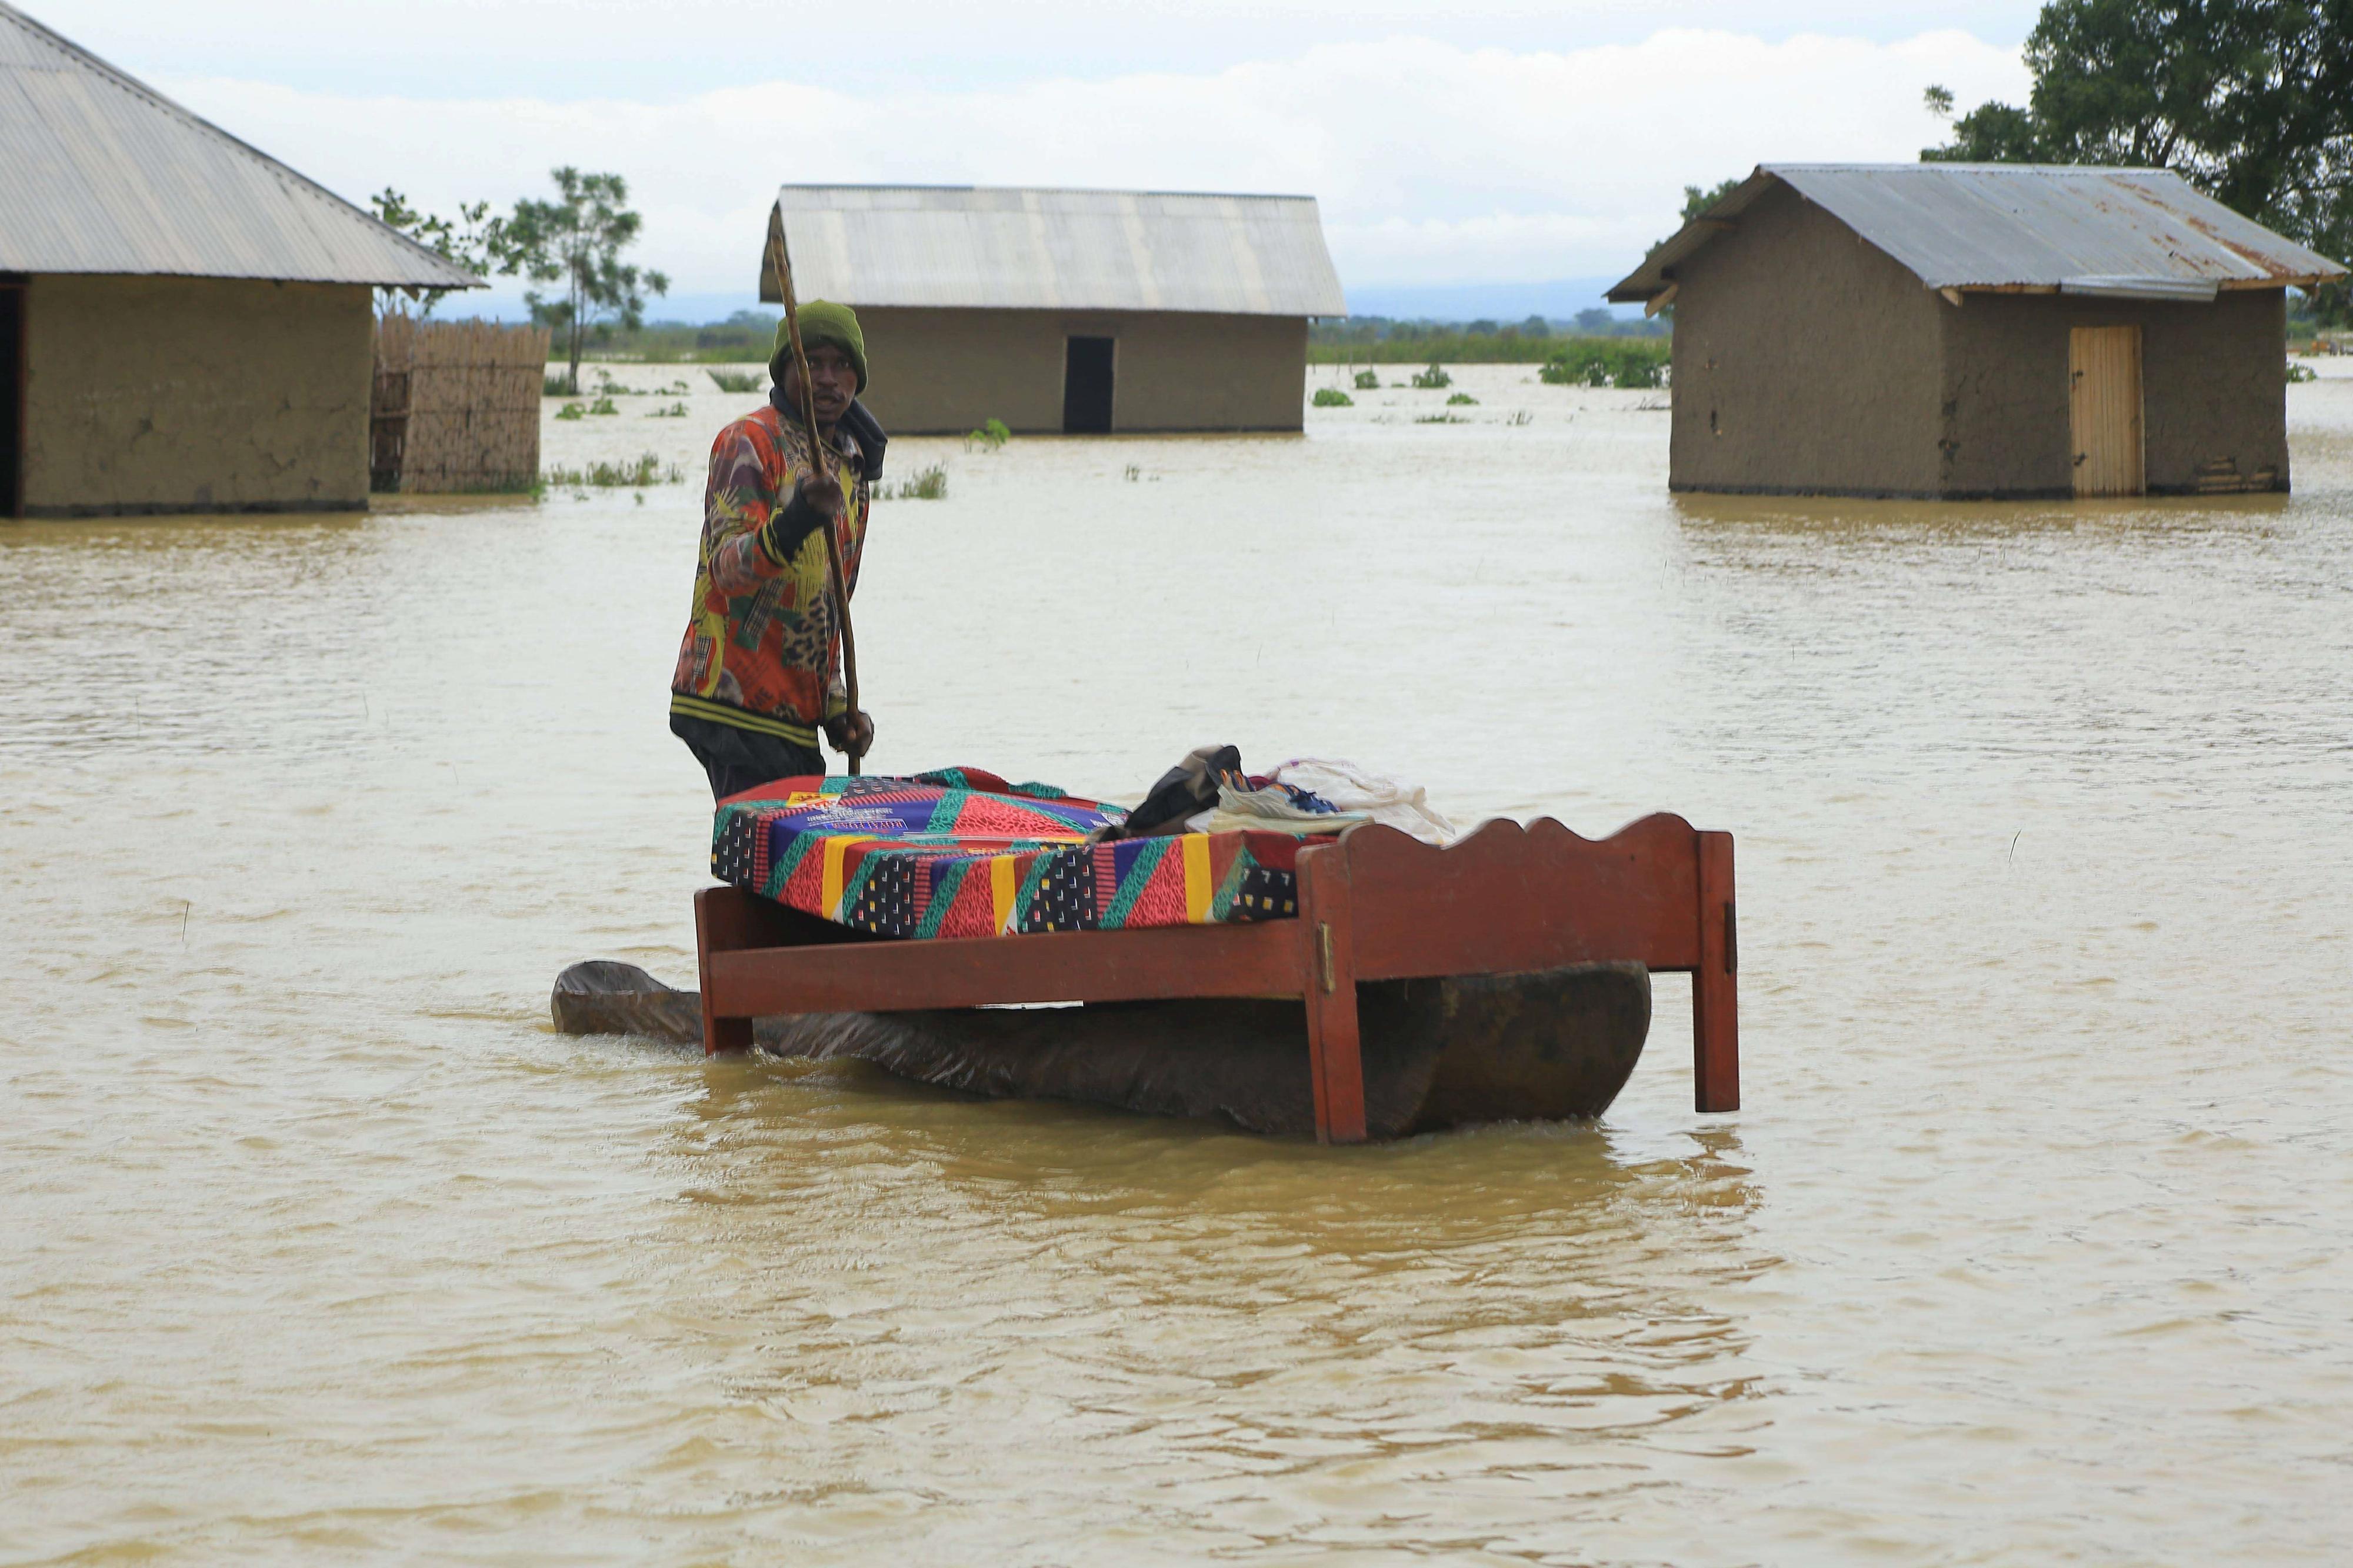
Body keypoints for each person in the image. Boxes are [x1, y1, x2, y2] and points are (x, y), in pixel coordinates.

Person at [669, 302, 884, 800]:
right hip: (730, 703)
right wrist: (799, 517)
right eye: (811, 363)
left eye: (841, 365)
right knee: (767, 844)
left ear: (857, 378)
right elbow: (727, 570)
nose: (826, 379)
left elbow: (830, 604)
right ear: (785, 370)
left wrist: (836, 706)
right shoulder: (749, 440)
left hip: (793, 717)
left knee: (796, 844)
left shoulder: (851, 466)